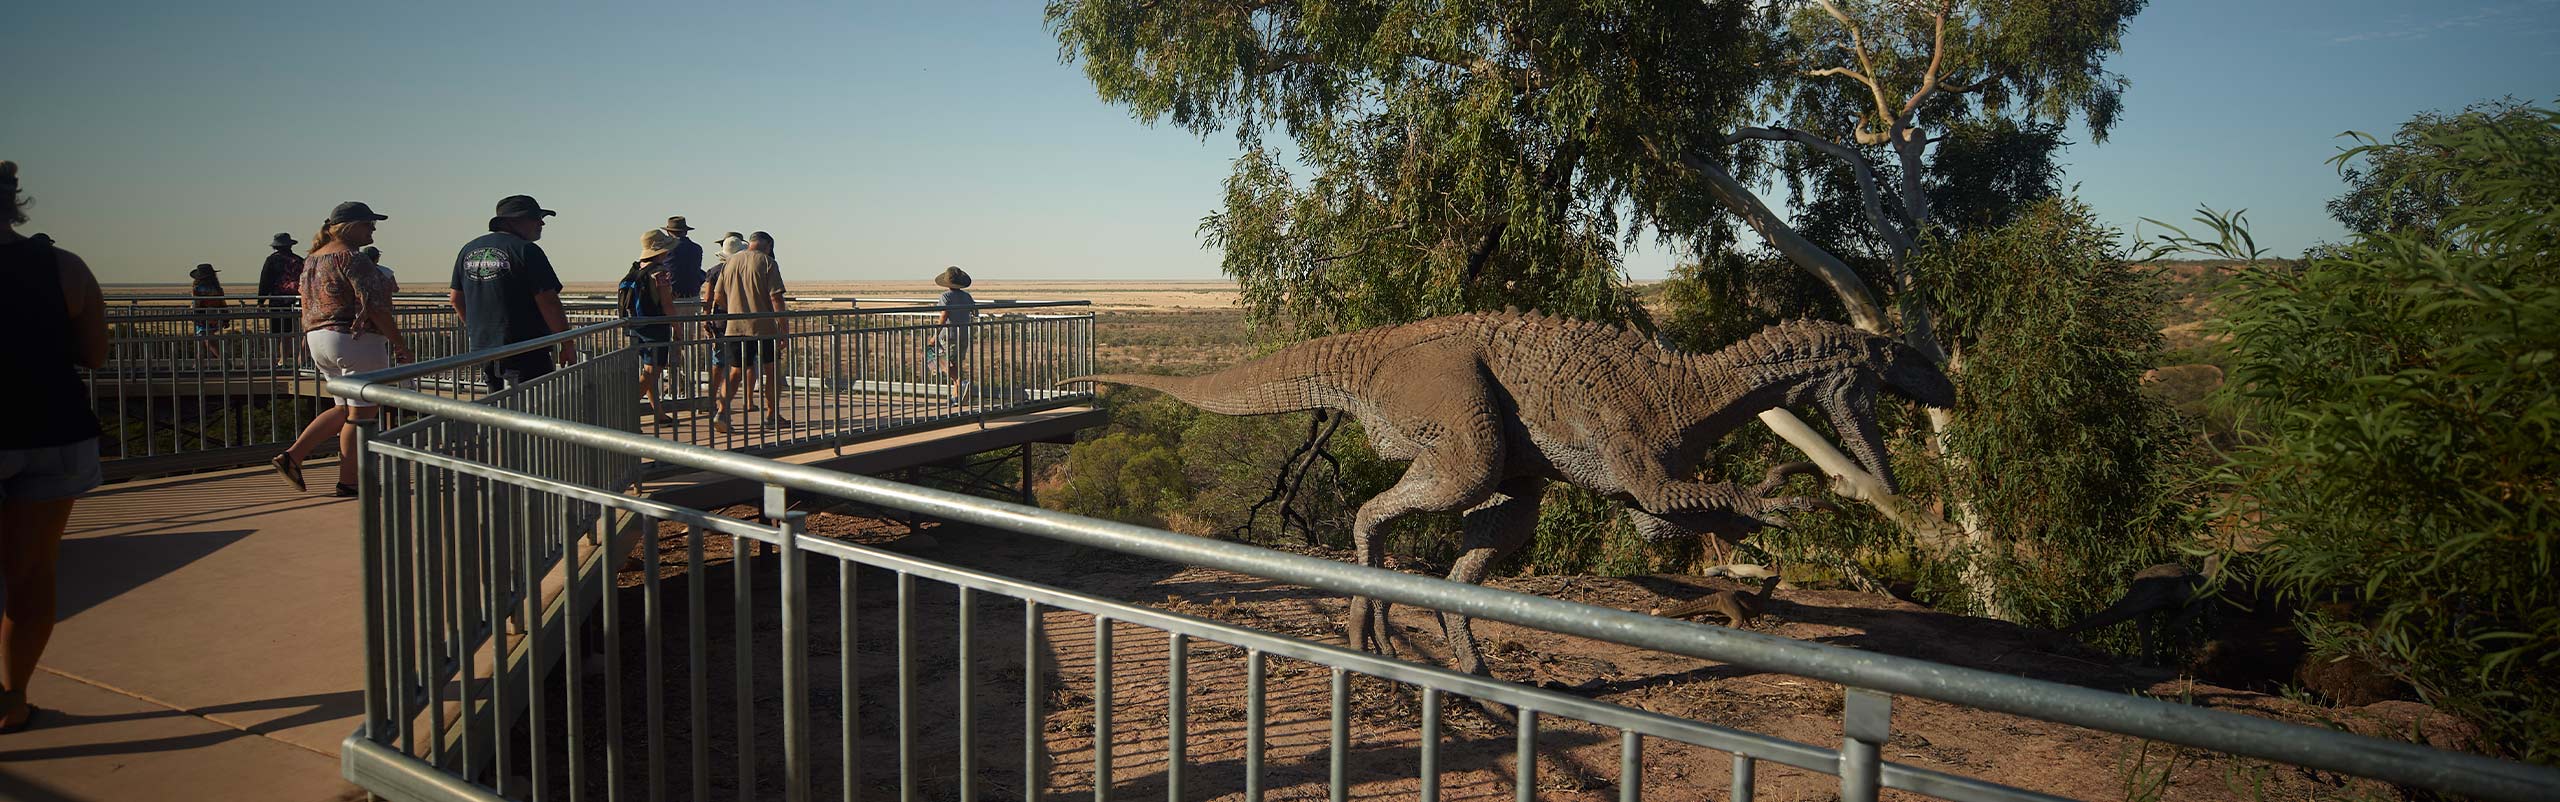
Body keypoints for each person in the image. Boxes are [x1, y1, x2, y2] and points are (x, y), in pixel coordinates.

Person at [0, 160, 110, 735]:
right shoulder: (64, 267)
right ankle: (13, 700)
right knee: (31, 573)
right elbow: (94, 354)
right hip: (52, 427)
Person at [270, 202, 409, 498]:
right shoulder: (353, 258)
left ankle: (293, 456)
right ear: (350, 227)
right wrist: (400, 344)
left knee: (343, 408)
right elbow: (376, 308)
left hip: (319, 340)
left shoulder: (313, 258)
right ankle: (350, 482)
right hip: (355, 340)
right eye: (368, 224)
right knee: (362, 416)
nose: (373, 230)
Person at [448, 195, 572, 392]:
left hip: (485, 352)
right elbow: (549, 302)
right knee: (536, 406)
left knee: (498, 405)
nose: (541, 223)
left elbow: (455, 299)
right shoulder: (527, 250)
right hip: (527, 351)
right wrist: (567, 344)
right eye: (535, 218)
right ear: (512, 221)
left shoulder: (469, 249)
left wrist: (481, 331)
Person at [704, 231, 788, 433]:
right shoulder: (767, 262)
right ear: (768, 246)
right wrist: (783, 329)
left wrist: (735, 310)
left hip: (735, 327)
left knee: (735, 371)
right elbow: (776, 298)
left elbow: (718, 296)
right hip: (764, 328)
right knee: (771, 371)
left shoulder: (730, 262)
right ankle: (771, 415)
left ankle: (722, 413)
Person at [620, 229, 680, 426]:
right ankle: (625, 412)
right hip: (656, 328)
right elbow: (667, 305)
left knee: (649, 371)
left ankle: (659, 413)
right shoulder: (660, 273)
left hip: (637, 327)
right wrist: (678, 329)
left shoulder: (636, 269)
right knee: (652, 372)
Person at [932, 266, 977, 405]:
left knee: (939, 360)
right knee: (955, 365)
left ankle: (961, 382)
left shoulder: (945, 296)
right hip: (963, 333)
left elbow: (944, 315)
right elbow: (975, 311)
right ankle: (956, 396)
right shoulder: (967, 296)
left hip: (948, 335)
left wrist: (935, 335)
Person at [256, 232, 302, 334]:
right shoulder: (299, 260)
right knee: (295, 332)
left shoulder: (272, 260)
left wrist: (261, 301)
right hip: (297, 302)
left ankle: (282, 345)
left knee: (279, 333)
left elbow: (265, 281)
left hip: (277, 302)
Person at [189, 263, 228, 359]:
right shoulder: (217, 289)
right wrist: (226, 318)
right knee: (203, 341)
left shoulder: (198, 289)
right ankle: (198, 364)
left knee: (207, 340)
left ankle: (224, 360)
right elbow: (223, 304)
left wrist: (193, 313)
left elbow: (196, 304)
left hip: (202, 319)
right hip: (215, 318)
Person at [662, 216, 705, 300]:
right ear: (686, 232)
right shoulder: (697, 248)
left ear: (668, 232)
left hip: (672, 295)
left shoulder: (665, 249)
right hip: (693, 294)